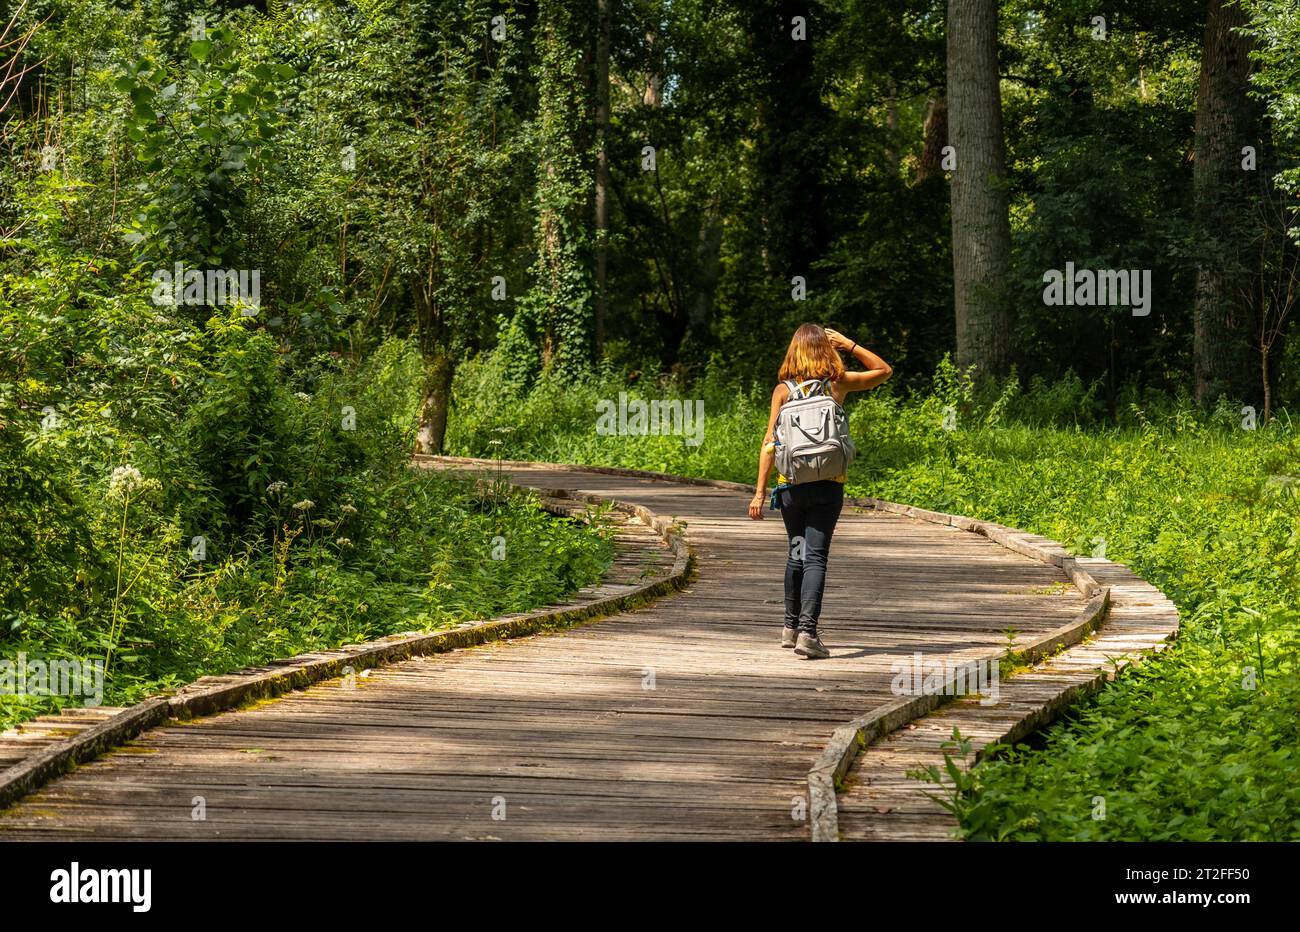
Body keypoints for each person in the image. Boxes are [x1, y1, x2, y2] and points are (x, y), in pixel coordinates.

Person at [748, 324, 893, 659]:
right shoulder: (836, 384)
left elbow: (769, 445)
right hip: (828, 486)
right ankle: (808, 634)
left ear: (794, 350)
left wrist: (759, 492)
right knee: (816, 556)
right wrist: (850, 344)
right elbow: (884, 371)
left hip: (791, 487)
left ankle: (789, 628)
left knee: (796, 552)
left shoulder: (783, 391)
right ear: (826, 350)